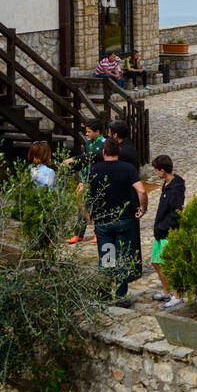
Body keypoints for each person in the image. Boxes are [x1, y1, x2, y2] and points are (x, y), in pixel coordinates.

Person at [78, 139, 148, 307]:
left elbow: (79, 192)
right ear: (119, 152)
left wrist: (86, 213)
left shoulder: (93, 170)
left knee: (107, 257)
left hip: (103, 221)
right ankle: (121, 296)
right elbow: (142, 191)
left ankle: (105, 294)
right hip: (124, 220)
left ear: (103, 152)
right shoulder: (128, 169)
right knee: (123, 257)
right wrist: (142, 208)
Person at [108, 119, 143, 281]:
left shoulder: (125, 151)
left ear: (115, 135)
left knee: (131, 233)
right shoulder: (126, 147)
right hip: (125, 196)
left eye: (109, 133)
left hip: (130, 197)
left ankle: (134, 268)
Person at [149, 154, 186, 308]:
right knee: (156, 262)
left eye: (156, 171)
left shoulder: (175, 188)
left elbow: (175, 213)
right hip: (160, 231)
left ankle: (177, 296)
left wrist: (163, 227)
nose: (155, 174)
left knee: (170, 265)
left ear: (162, 170)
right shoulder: (166, 184)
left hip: (168, 232)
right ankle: (167, 291)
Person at [67, 120, 106, 244]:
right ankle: (79, 233)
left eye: (89, 131)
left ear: (97, 132)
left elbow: (96, 157)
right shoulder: (88, 142)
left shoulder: (104, 144)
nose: (86, 134)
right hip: (86, 178)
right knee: (82, 204)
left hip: (99, 178)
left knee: (98, 204)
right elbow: (85, 158)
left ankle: (98, 233)